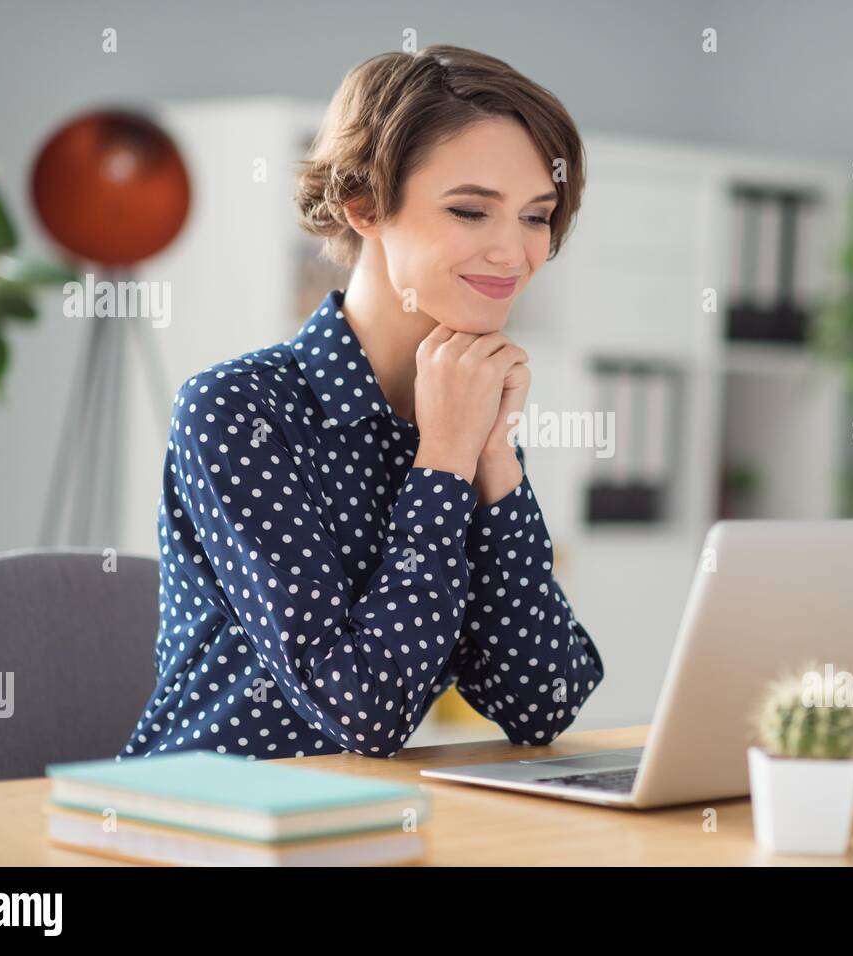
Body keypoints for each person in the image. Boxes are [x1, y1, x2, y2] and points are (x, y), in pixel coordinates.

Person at [119, 44, 604, 761]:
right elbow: (364, 712)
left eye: (537, 217)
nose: (513, 252)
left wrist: (494, 461)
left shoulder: (461, 418)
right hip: (204, 823)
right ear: (364, 204)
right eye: (472, 211)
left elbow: (545, 701)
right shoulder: (237, 410)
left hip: (366, 819)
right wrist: (443, 463)